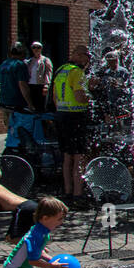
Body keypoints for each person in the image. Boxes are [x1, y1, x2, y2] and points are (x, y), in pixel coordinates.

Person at [53, 44, 92, 204]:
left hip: (61, 115)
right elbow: (80, 97)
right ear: (80, 55)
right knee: (79, 157)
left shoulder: (61, 70)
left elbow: (55, 96)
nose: (88, 61)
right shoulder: (77, 72)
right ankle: (78, 194)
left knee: (67, 156)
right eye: (87, 57)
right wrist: (91, 93)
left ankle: (68, 191)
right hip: (75, 117)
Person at [0, 164, 39, 243]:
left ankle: (33, 248)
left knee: (11, 238)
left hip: (23, 208)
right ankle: (37, 248)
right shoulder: (0, 186)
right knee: (29, 232)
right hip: (30, 204)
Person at [0, 42, 33, 119]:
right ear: (22, 53)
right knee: (19, 128)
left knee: (9, 128)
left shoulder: (3, 64)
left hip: (4, 101)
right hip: (17, 103)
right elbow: (22, 85)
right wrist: (30, 104)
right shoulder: (20, 65)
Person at [27, 41, 53, 113]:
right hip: (31, 85)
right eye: (34, 47)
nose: (36, 49)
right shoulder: (29, 61)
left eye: (38, 47)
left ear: (41, 49)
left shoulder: (45, 60)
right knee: (32, 106)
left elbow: (48, 73)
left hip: (41, 85)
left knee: (41, 106)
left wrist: (46, 85)